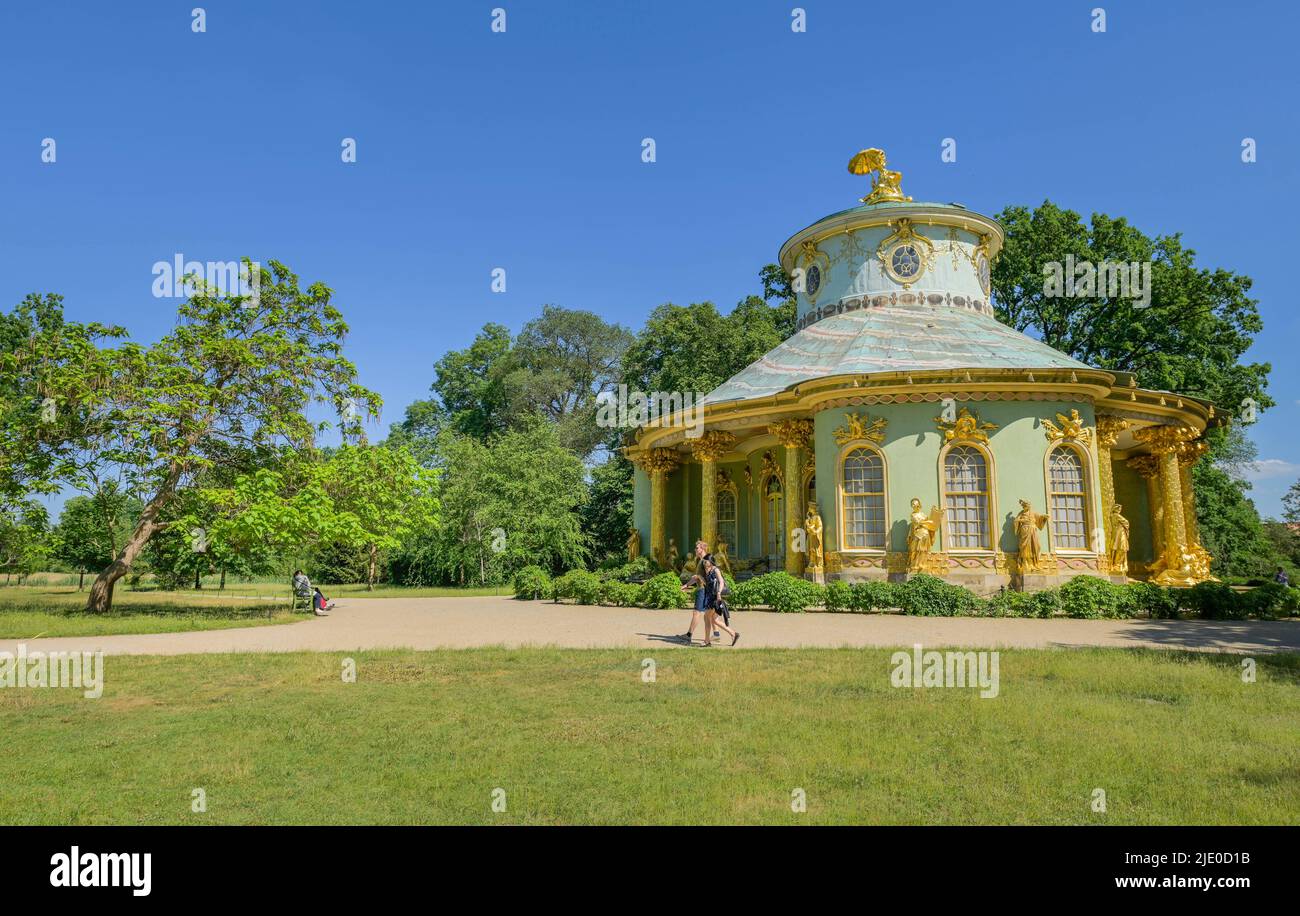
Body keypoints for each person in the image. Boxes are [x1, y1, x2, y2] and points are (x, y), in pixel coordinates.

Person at [701, 556, 739, 647]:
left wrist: (718, 592)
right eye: (704, 561)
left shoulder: (715, 570)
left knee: (707, 617)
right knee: (714, 620)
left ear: (711, 561)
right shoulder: (708, 571)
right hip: (710, 597)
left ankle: (707, 641)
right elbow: (709, 584)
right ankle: (733, 634)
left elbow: (721, 582)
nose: (704, 563)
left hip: (715, 598)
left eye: (706, 561)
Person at [678, 540, 711, 643]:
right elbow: (696, 577)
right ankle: (715, 635)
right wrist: (686, 585)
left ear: (702, 549)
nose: (695, 550)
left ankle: (689, 635)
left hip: (703, 590)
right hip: (700, 589)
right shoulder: (700, 561)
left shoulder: (706, 561)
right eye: (695, 548)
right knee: (706, 615)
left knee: (697, 613)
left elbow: (709, 578)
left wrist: (699, 577)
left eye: (697, 548)